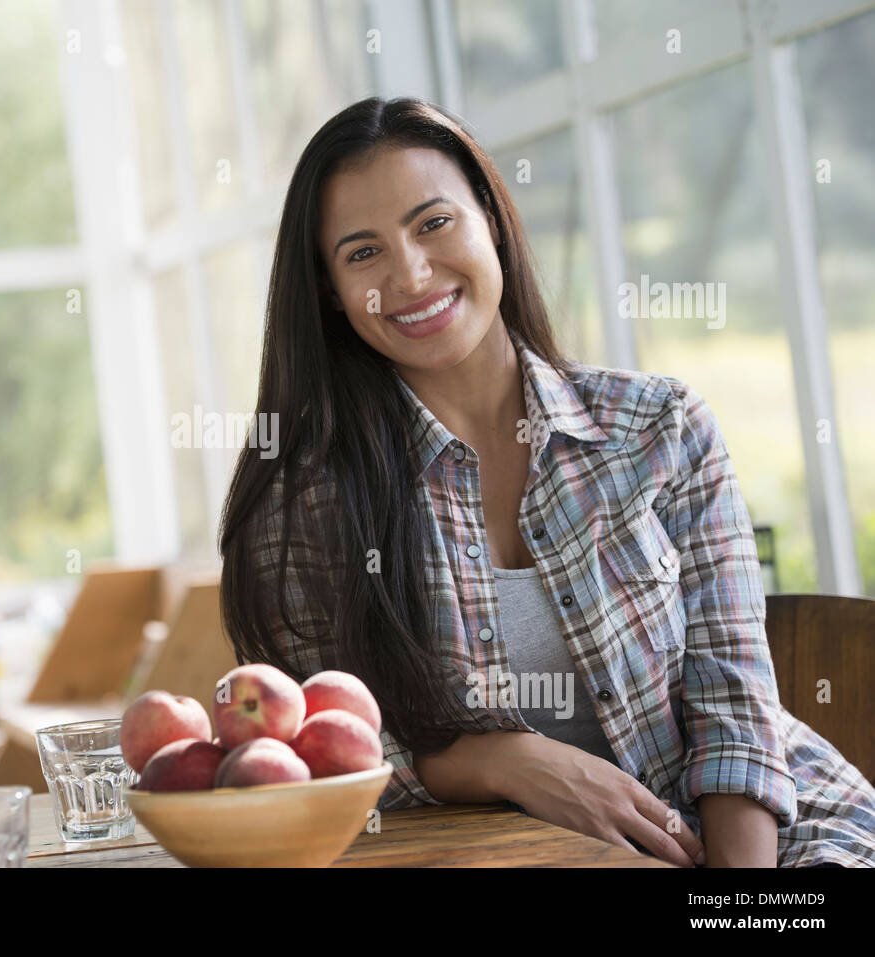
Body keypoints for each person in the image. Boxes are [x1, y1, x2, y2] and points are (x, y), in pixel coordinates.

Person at [217, 96, 875, 868]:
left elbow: (735, 706)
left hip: (781, 838)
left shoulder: (658, 429)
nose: (412, 272)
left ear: (491, 220)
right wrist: (508, 759)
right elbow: (333, 754)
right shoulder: (303, 513)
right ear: (330, 289)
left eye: (434, 223)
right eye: (364, 252)